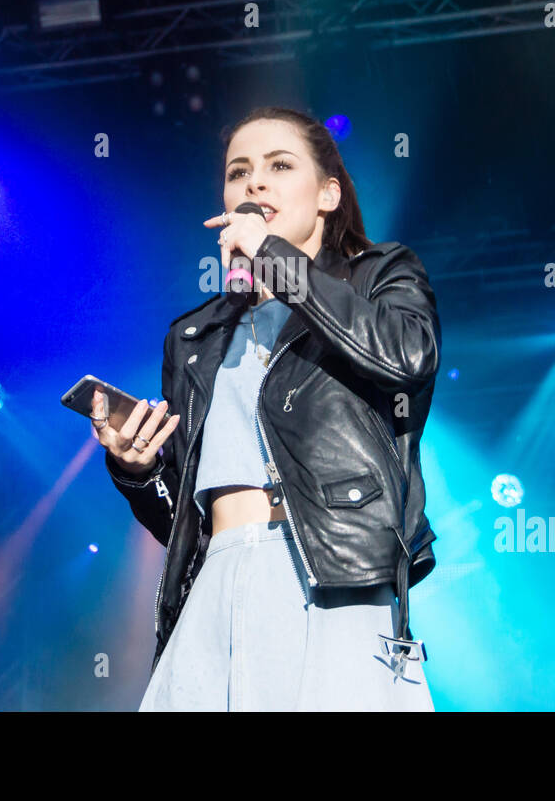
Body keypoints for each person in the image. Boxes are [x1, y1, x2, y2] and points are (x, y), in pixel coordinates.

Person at [90, 105, 440, 711]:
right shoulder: (194, 337)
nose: (253, 183)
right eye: (238, 171)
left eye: (279, 166)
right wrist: (138, 470)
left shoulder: (380, 275)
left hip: (333, 575)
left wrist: (276, 258)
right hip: (218, 578)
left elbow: (405, 358)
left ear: (328, 194)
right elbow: (180, 525)